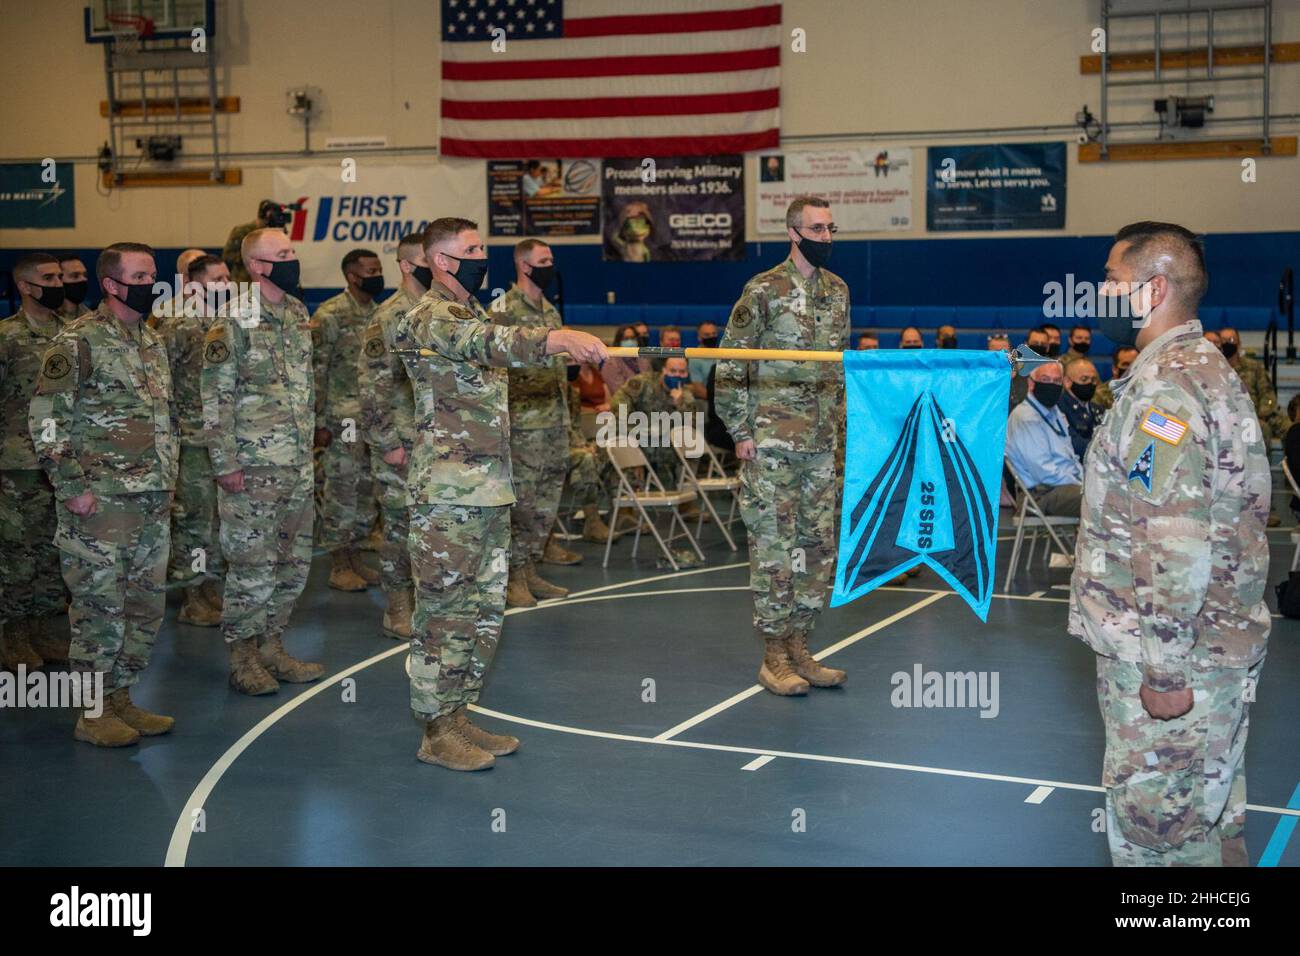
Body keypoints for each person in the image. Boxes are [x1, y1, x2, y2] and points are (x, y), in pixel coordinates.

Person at [1071, 221, 1270, 867]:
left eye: (1110, 280)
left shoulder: (1166, 388)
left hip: (1176, 653)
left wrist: (1164, 668)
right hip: (1216, 646)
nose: (1099, 292)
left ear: (1152, 289)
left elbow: (1171, 540)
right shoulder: (1203, 368)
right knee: (1209, 820)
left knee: (1158, 837)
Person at [393, 216, 607, 772]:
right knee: (443, 612)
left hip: (488, 487)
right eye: (470, 249)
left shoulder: (471, 310)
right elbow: (488, 344)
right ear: (440, 261)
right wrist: (557, 339)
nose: (480, 256)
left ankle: (458, 714)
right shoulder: (429, 317)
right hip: (447, 492)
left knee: (483, 611)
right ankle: (435, 731)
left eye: (482, 246)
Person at [30, 242, 179, 746]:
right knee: (99, 609)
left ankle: (120, 698)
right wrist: (71, 488)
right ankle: (92, 714)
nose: (151, 284)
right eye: (140, 275)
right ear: (112, 284)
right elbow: (46, 420)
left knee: (143, 607)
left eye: (154, 274)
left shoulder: (151, 341)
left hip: (151, 498)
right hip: (99, 502)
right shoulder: (78, 341)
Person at [716, 195, 849, 696]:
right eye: (817, 230)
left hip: (820, 444)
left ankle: (800, 646)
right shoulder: (763, 290)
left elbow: (836, 369)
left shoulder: (838, 292)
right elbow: (730, 361)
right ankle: (773, 655)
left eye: (831, 229)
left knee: (817, 549)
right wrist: (741, 432)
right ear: (793, 233)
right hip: (770, 442)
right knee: (775, 549)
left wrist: (839, 433)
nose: (827, 238)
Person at [201, 226, 324, 696]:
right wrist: (225, 463)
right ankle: (243, 657)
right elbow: (215, 397)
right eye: (282, 254)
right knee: (252, 564)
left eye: (293, 250)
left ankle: (273, 645)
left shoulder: (295, 311)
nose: (293, 259)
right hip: (251, 467)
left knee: (292, 563)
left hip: (296, 463)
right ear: (255, 266)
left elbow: (303, 388)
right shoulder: (232, 319)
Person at [493, 238, 575, 607]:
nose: (551, 265)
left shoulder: (550, 311)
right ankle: (512, 577)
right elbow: (492, 361)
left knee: (546, 503)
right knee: (521, 504)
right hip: (523, 422)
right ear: (524, 266)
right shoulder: (501, 308)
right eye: (544, 260)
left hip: (556, 419)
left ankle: (529, 570)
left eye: (552, 259)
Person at [0, 253, 72, 670]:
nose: (58, 282)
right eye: (48, 277)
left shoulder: (72, 334)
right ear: (25, 286)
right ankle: (13, 634)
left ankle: (47, 630)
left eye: (60, 275)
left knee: (52, 552)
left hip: (61, 465)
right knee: (16, 554)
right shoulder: (7, 337)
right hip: (18, 465)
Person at [152, 254, 230, 626]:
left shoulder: (228, 320)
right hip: (190, 437)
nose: (227, 284)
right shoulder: (178, 323)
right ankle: (192, 594)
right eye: (218, 279)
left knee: (217, 519)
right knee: (194, 519)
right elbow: (158, 381)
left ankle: (211, 584)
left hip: (222, 438)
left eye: (229, 277)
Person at [358, 233, 427, 640]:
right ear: (405, 264)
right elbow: (371, 386)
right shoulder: (388, 316)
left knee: (428, 528)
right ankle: (397, 606)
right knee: (399, 528)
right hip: (401, 441)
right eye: (425, 260)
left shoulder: (440, 311)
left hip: (436, 441)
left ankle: (424, 600)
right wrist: (387, 444)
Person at [313, 248, 385, 591]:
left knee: (367, 490)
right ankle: (339, 563)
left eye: (379, 269)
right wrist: (318, 422)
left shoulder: (379, 314)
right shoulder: (330, 314)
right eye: (370, 270)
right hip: (342, 418)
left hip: (373, 417)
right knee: (342, 488)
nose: (377, 275)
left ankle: (356, 556)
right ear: (351, 276)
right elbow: (317, 369)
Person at [1004, 360, 1082, 516]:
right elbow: (1044, 472)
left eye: (1057, 381)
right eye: (1045, 380)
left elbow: (1070, 457)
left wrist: (1084, 480)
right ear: (1031, 383)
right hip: (1040, 494)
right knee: (1100, 499)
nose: (1051, 385)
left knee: (1106, 493)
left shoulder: (1055, 412)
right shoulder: (1025, 418)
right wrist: (1081, 484)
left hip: (1063, 486)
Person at [1218, 326, 1289, 441]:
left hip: (1259, 415)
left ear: (1239, 344)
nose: (1227, 344)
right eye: (1223, 341)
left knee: (1292, 429)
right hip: (1229, 418)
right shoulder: (1215, 369)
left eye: (1231, 340)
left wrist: (1260, 414)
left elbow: (1267, 393)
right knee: (1259, 429)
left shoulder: (1254, 367)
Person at [222, 199, 281, 283]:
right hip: (244, 282)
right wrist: (251, 256)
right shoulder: (242, 231)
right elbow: (228, 256)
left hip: (265, 283)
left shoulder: (272, 234)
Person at [1059, 358, 1104, 461]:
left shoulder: (1098, 409)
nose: (1090, 384)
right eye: (1084, 379)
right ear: (1067, 382)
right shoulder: (1059, 408)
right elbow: (1073, 444)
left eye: (1093, 380)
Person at [1011, 326, 1051, 408]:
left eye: (1043, 344)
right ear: (1026, 345)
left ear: (1048, 347)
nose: (1039, 346)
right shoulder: (1014, 368)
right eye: (1035, 344)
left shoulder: (1053, 371)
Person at [1093, 345, 1136, 410]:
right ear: (1115, 369)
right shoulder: (1100, 395)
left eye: (1135, 364)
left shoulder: (1147, 390)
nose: (1131, 368)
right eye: (1126, 364)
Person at [688, 320, 720, 400]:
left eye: (714, 334)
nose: (711, 337)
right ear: (699, 337)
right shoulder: (694, 358)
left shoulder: (724, 354)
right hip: (708, 402)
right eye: (707, 335)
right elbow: (698, 390)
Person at [56, 255, 93, 320]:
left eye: (85, 275)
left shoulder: (90, 316)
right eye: (75, 276)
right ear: (58, 280)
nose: (83, 279)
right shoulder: (46, 316)